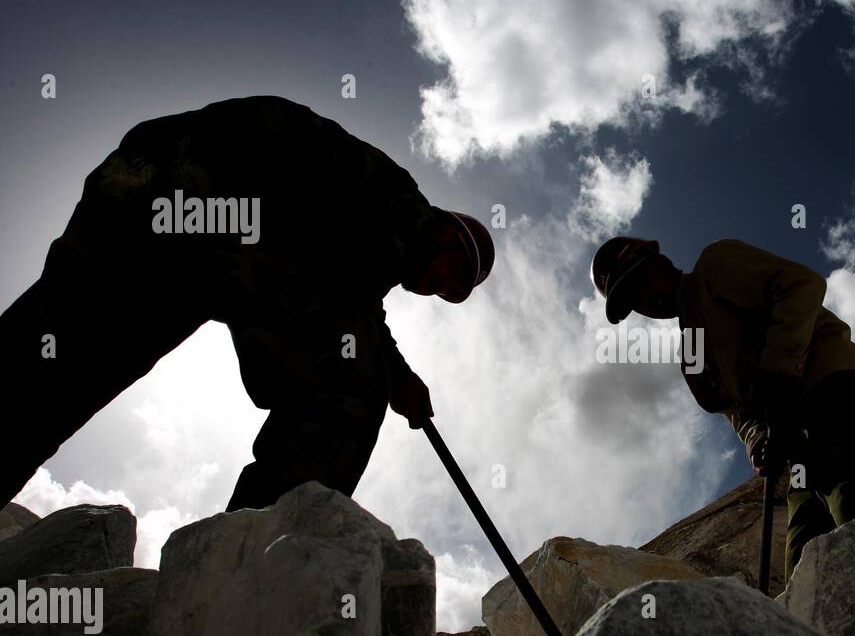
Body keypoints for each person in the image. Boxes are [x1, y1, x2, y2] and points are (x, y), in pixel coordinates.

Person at [0, 96, 493, 512]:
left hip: (152, 195)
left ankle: (247, 559)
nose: (438, 293)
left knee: (52, 365)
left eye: (450, 297)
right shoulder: (400, 212)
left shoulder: (382, 238)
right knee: (348, 387)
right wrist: (392, 377)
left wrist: (400, 377)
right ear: (449, 236)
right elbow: (350, 302)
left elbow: (356, 300)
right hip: (208, 194)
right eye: (451, 283)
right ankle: (257, 566)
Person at [590, 236, 855, 636]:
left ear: (659, 261)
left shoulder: (716, 266)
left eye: (639, 282)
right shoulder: (691, 356)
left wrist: (779, 371)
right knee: (806, 550)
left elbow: (801, 285)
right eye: (631, 300)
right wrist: (758, 437)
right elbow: (737, 414)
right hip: (793, 442)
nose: (644, 301)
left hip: (838, 394)